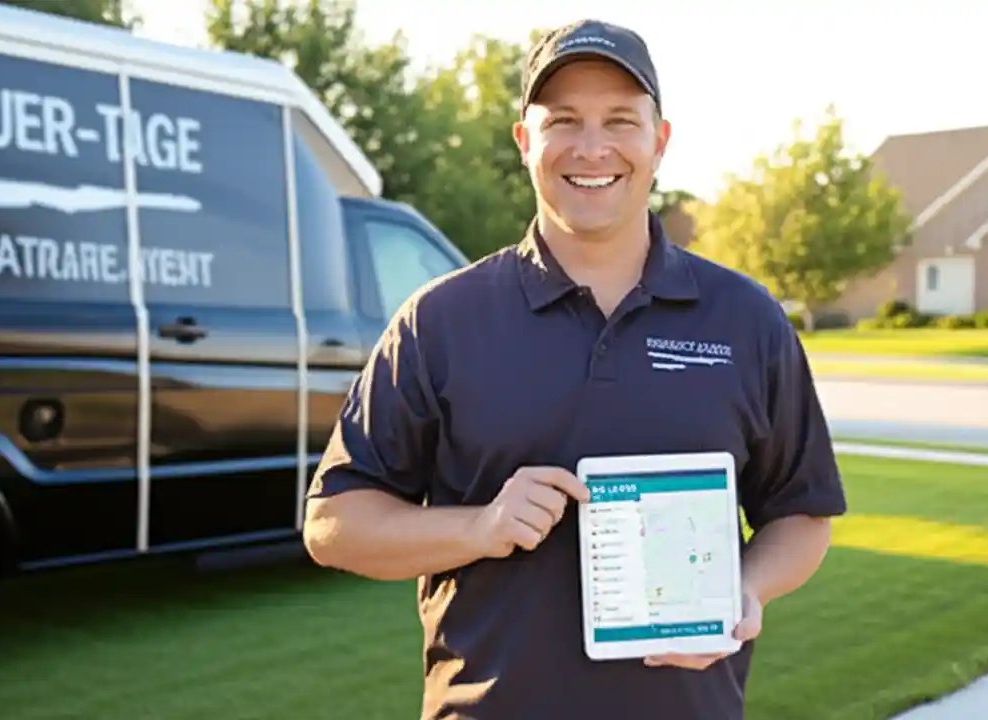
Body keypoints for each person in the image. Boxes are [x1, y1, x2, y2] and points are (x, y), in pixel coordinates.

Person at [302, 18, 847, 720]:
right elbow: (333, 524)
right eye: (564, 120)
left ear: (660, 140)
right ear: (525, 141)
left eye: (620, 119)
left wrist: (742, 589)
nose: (592, 148)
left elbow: (801, 515)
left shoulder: (746, 320)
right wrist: (481, 527)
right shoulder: (441, 321)